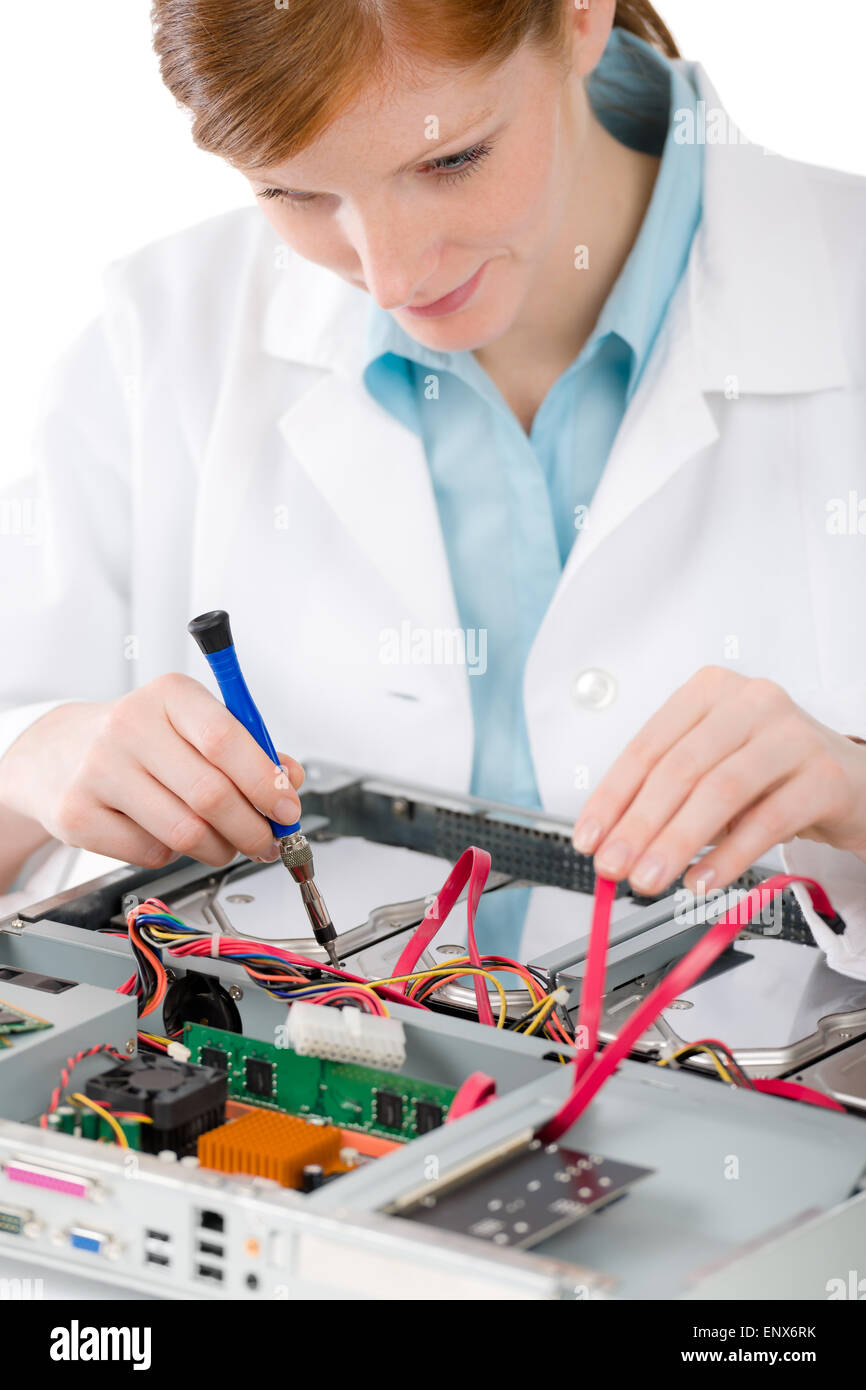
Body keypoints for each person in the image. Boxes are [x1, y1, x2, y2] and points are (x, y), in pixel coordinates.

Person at [1, 0, 865, 976]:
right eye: (292, 192)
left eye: (450, 160)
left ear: (578, 16)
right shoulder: (159, 336)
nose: (388, 274)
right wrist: (29, 763)